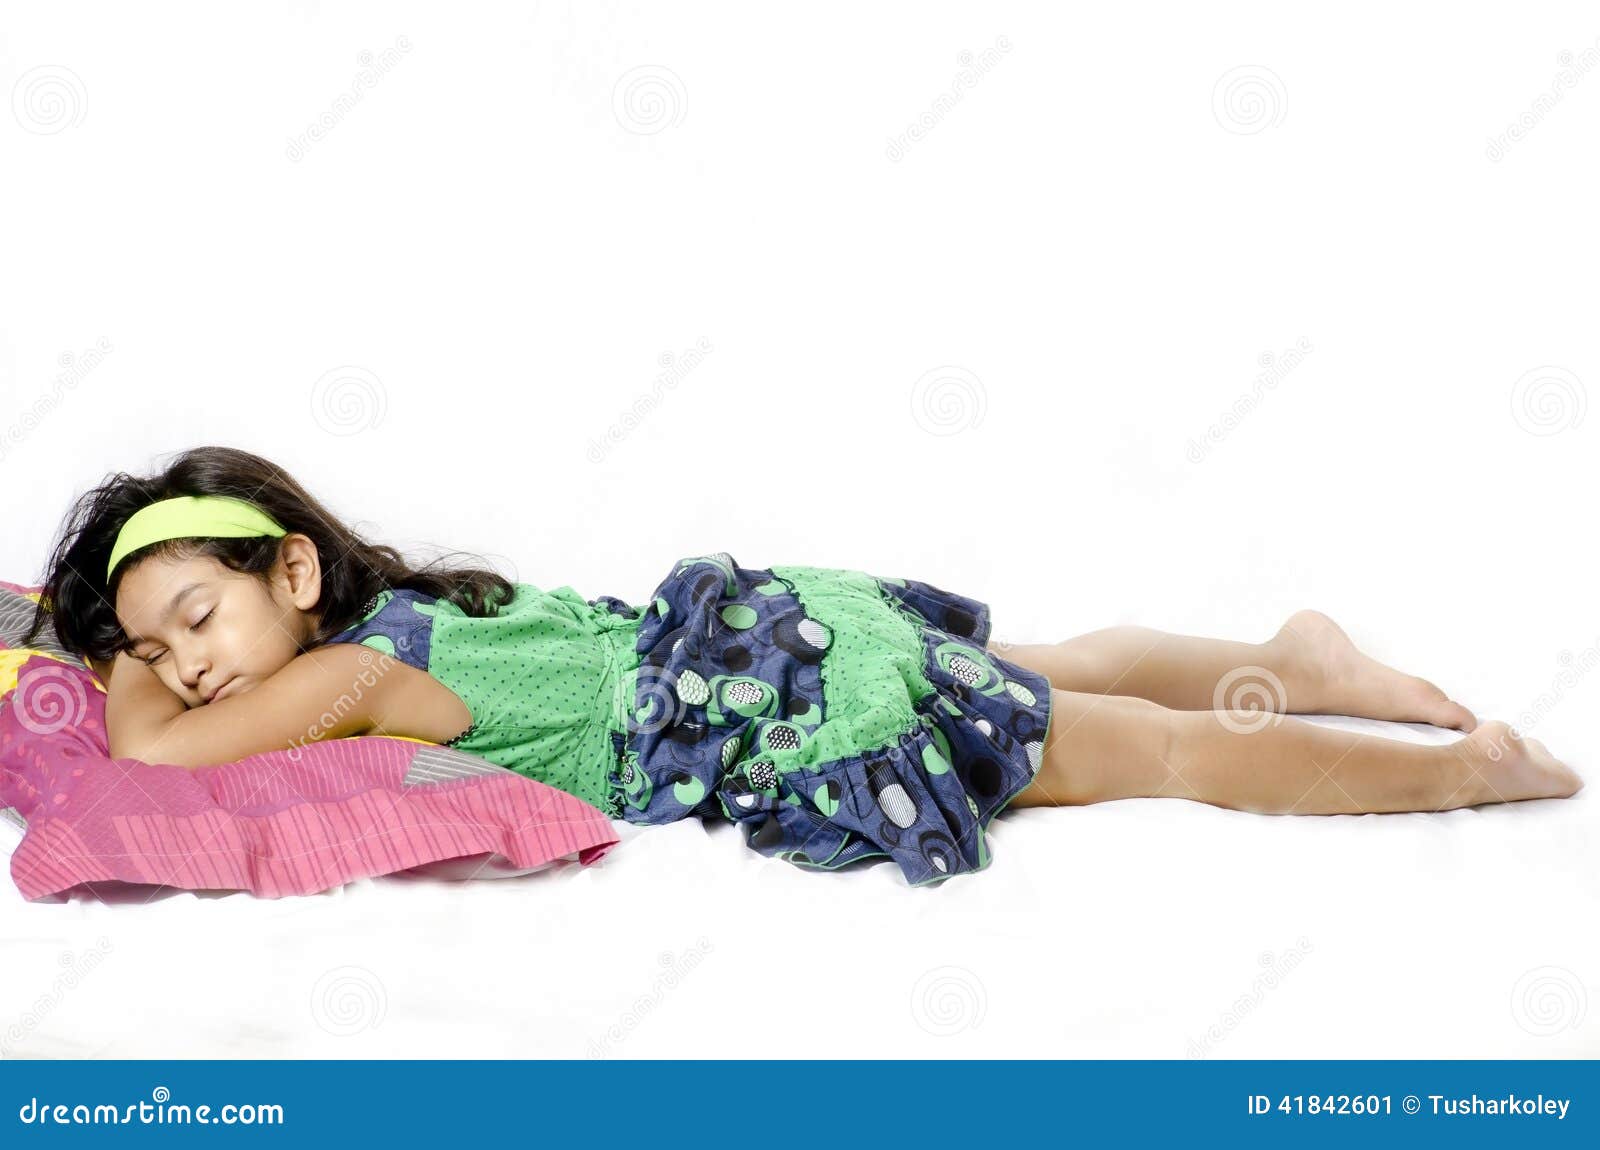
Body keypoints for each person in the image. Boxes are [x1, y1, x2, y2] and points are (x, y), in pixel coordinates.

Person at [27, 446, 1581, 886]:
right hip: (760, 633)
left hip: (777, 699)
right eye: (152, 645)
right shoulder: (401, 617)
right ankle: (1282, 652)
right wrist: (99, 626)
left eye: (196, 624)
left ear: (291, 570)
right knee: (1056, 662)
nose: (182, 669)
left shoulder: (345, 674)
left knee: (1140, 751)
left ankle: (1459, 769)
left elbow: (150, 762)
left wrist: (91, 655)